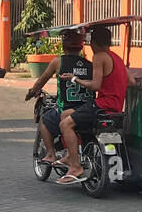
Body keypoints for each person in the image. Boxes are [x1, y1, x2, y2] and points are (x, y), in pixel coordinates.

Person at [56, 25, 133, 184]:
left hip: (101, 105)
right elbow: (131, 81)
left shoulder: (99, 57)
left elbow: (96, 85)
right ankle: (71, 154)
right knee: (66, 114)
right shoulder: (116, 58)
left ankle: (75, 167)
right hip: (116, 107)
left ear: (94, 42)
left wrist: (73, 79)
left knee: (65, 124)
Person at [25, 28, 92, 170]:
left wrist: (32, 92)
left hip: (66, 109)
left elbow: (41, 80)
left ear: (63, 45)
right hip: (87, 108)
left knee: (45, 120)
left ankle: (50, 154)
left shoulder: (58, 62)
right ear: (81, 46)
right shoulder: (89, 64)